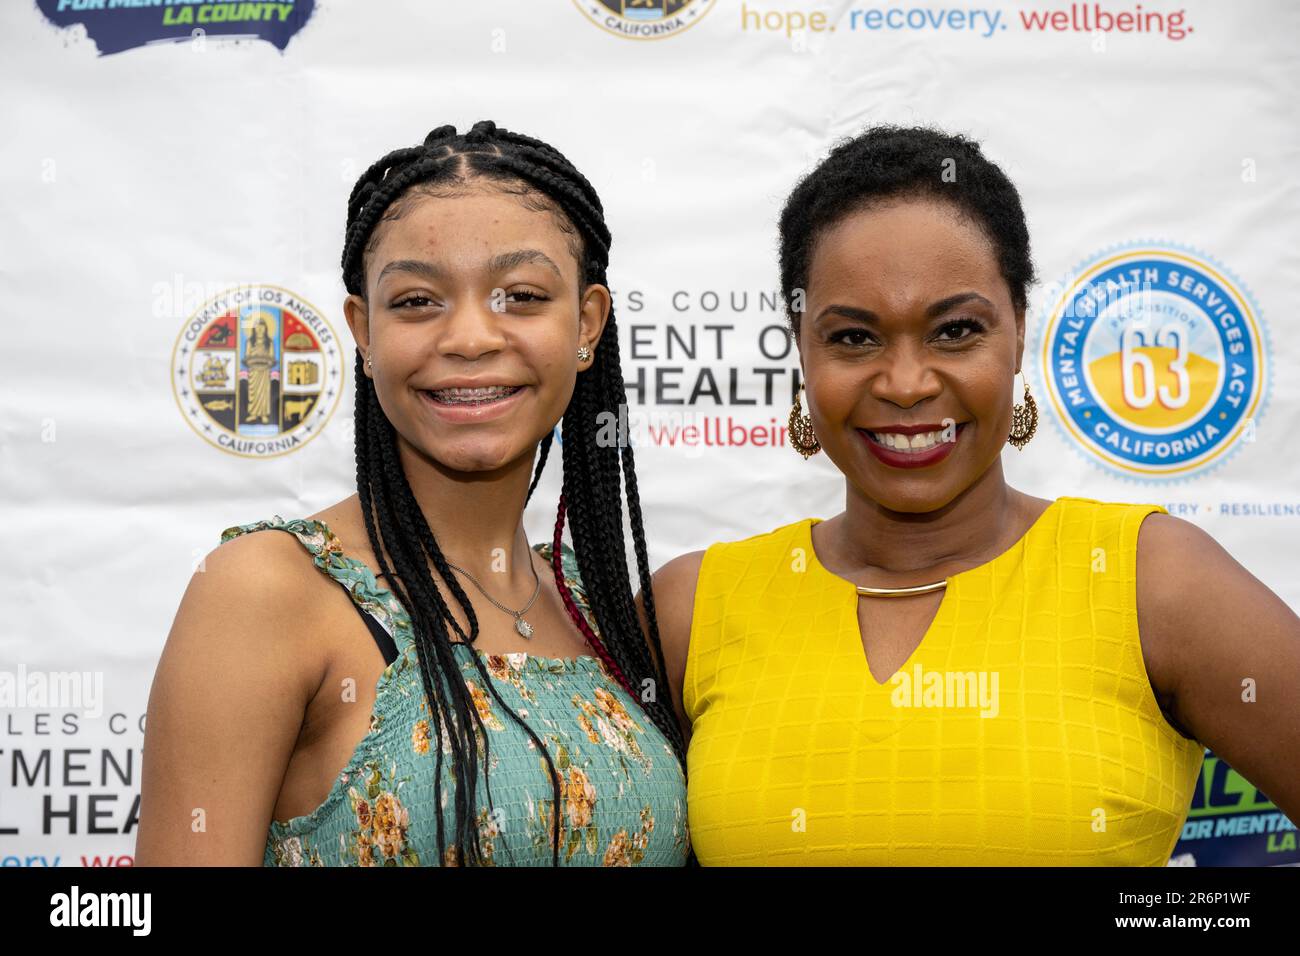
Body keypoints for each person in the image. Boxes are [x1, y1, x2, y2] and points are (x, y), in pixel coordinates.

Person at [648, 125, 1300, 865]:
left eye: (956, 330)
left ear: (1019, 331)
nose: (906, 383)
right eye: (854, 338)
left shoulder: (1149, 581)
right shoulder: (693, 610)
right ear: (800, 347)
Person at [137, 120, 690, 867]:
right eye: (418, 302)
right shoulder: (267, 590)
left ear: (587, 322)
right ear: (362, 332)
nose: (469, 336)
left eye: (521, 295)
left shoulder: (600, 613)